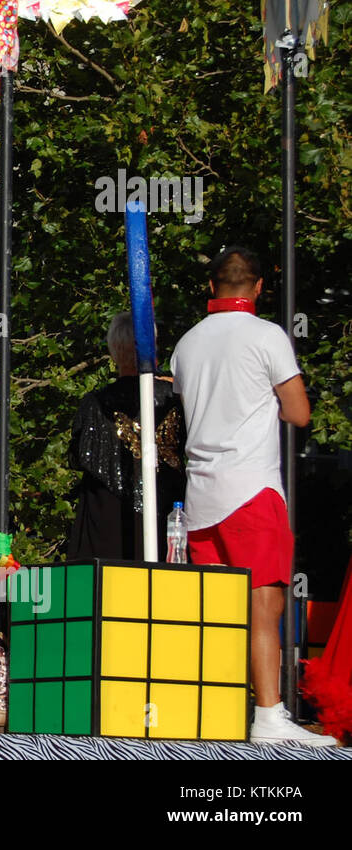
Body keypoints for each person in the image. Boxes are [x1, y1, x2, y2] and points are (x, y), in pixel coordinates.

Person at [170, 246, 337, 747]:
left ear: (211, 287)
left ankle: (219, 709)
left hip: (200, 494)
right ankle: (268, 715)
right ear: (260, 287)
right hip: (251, 488)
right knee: (264, 604)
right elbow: (300, 413)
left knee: (219, 609)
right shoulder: (268, 337)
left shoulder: (187, 343)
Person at [67, 312, 186, 561]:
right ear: (151, 346)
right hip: (165, 518)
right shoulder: (173, 399)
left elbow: (78, 456)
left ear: (113, 351)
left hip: (111, 529)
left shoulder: (95, 403)